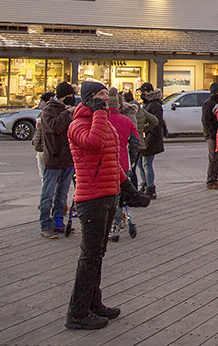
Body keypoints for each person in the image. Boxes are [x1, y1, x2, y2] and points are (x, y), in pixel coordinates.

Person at [65, 80, 133, 330]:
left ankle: (93, 302)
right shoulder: (78, 124)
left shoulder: (99, 120)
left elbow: (111, 157)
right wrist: (98, 114)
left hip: (107, 193)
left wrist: (128, 187)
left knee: (97, 255)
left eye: (107, 94)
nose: (106, 99)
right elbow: (93, 144)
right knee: (89, 257)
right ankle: (77, 312)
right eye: (100, 95)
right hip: (91, 197)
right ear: (89, 99)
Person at [39, 82, 76, 238]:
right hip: (54, 158)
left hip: (67, 158)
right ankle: (46, 225)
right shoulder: (49, 111)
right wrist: (68, 114)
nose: (73, 99)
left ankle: (58, 221)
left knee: (62, 193)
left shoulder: (65, 111)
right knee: (48, 193)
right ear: (63, 96)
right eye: (70, 96)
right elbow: (55, 127)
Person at [107, 88, 138, 241]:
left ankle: (108, 224)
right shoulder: (126, 121)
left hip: (104, 163)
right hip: (123, 163)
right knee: (119, 196)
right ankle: (116, 224)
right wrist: (132, 160)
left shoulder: (100, 120)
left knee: (107, 195)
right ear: (119, 105)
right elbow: (135, 141)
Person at [137, 82, 165, 199]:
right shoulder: (149, 104)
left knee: (146, 163)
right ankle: (145, 184)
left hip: (151, 138)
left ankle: (150, 187)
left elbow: (156, 123)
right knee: (140, 163)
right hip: (147, 137)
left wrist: (147, 135)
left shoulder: (154, 105)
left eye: (142, 92)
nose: (141, 94)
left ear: (148, 92)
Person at [201, 82, 218, 190]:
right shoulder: (208, 103)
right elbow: (206, 120)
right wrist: (211, 133)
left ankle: (215, 178)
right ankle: (210, 180)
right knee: (214, 157)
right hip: (212, 135)